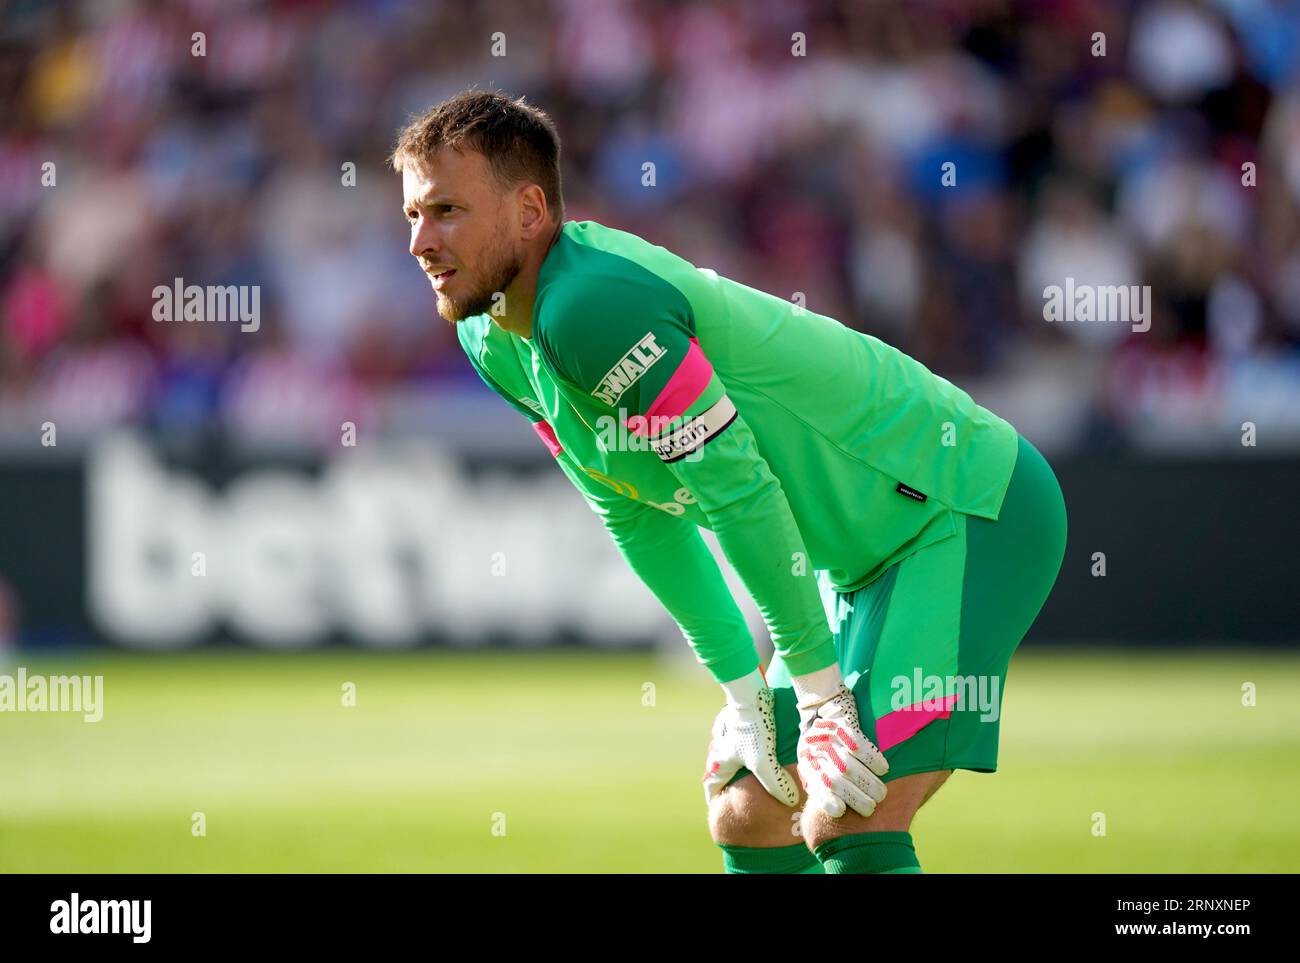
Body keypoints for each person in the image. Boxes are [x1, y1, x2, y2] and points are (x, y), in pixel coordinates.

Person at [391, 89, 1067, 874]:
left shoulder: (591, 307)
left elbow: (737, 491)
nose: (420, 241)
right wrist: (743, 691)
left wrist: (817, 695)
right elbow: (633, 511)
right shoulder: (491, 334)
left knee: (849, 811)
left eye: (445, 211)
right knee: (749, 808)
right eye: (411, 213)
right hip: (857, 562)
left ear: (531, 211)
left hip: (963, 513)